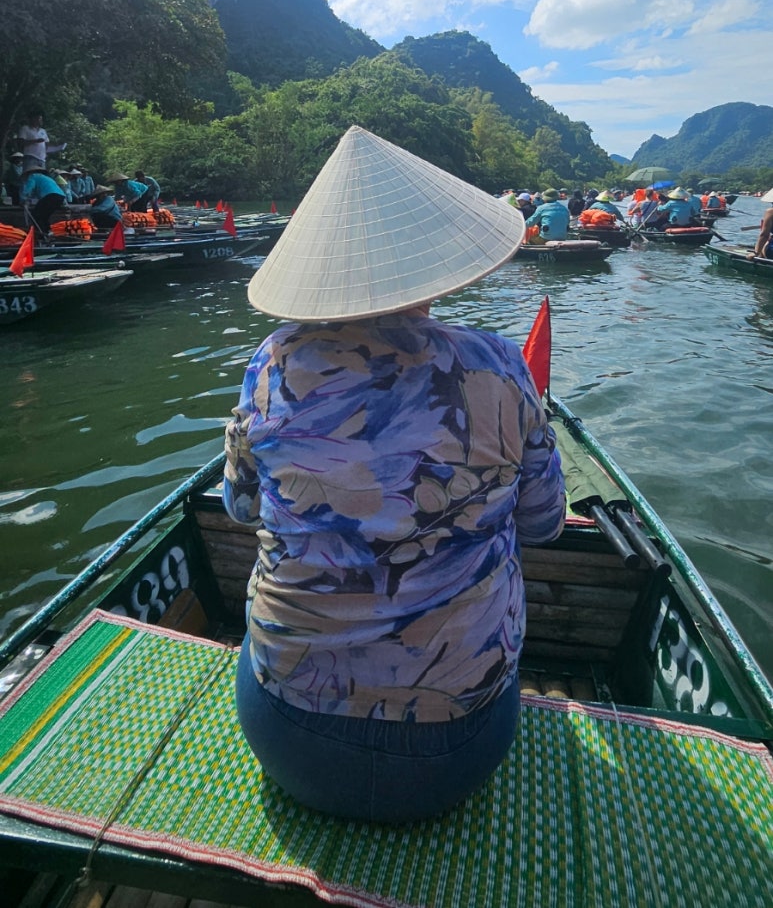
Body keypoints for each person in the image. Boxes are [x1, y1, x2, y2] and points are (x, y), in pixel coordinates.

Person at [224, 126, 565, 824]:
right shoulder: (497, 366)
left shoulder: (270, 362)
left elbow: (239, 506)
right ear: (431, 261)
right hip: (456, 745)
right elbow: (544, 522)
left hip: (288, 731)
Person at [19, 164, 67, 235]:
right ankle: (48, 232)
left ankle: (42, 234)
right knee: (44, 216)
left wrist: (23, 199)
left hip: (50, 196)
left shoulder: (33, 176)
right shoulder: (47, 178)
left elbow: (28, 189)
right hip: (60, 197)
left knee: (36, 215)